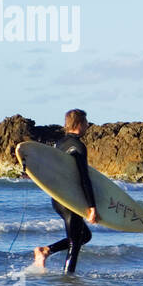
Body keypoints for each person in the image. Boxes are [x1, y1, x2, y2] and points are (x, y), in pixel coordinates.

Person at [33, 109, 100, 273]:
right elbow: (84, 178)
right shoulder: (78, 146)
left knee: (84, 236)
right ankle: (68, 282)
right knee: (75, 243)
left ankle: (46, 251)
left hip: (58, 198)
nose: (87, 125)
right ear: (79, 124)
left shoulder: (59, 143)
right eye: (85, 122)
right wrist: (92, 207)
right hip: (71, 199)